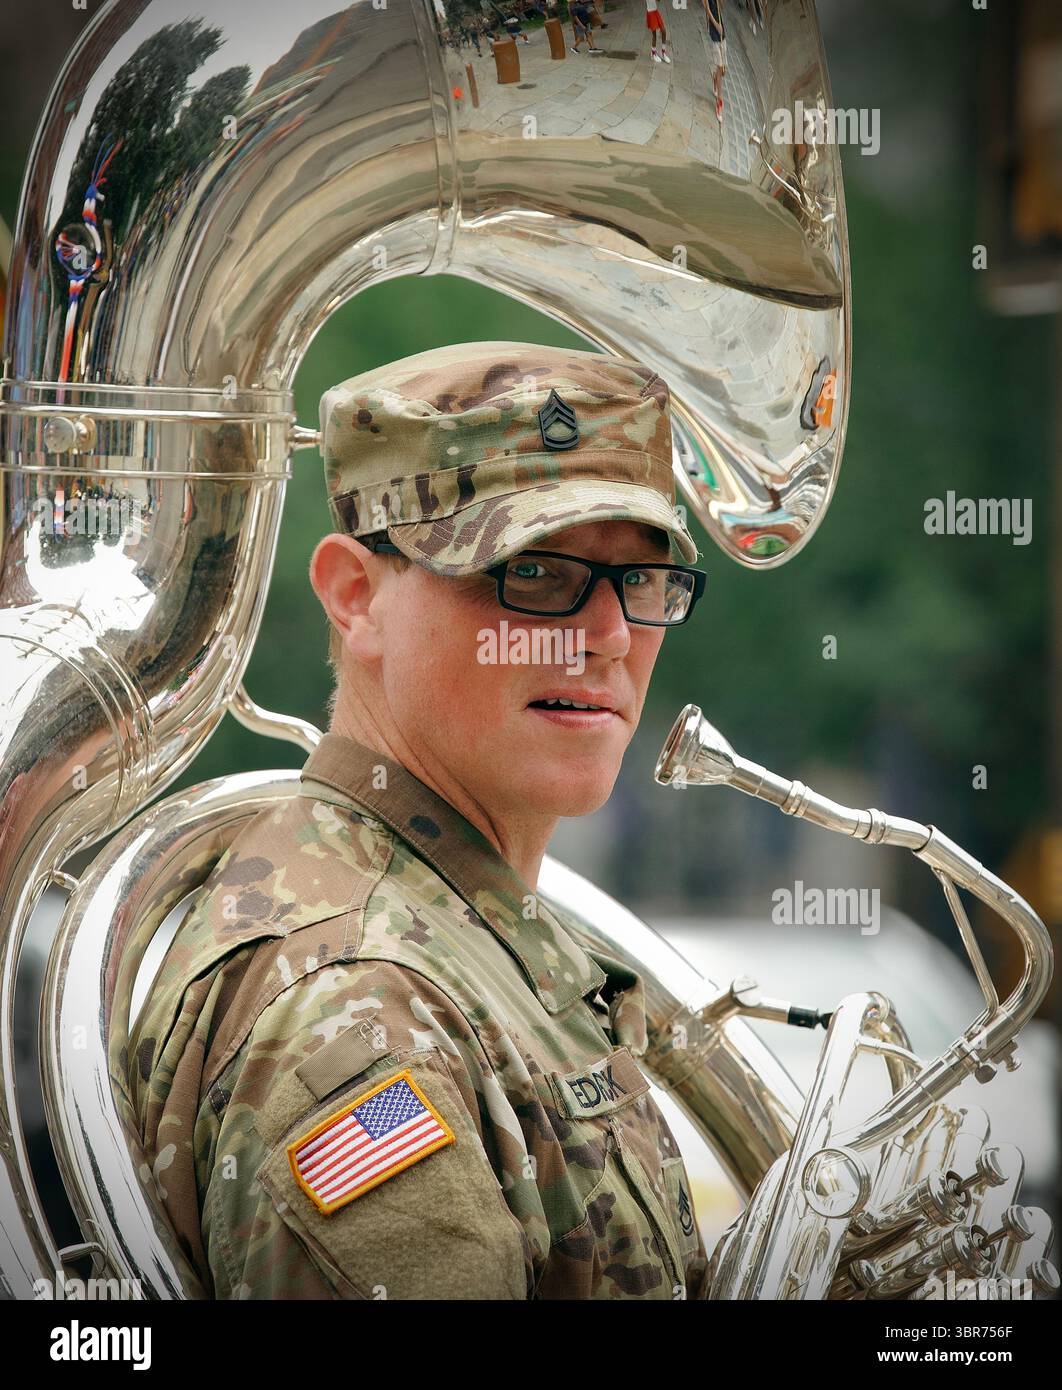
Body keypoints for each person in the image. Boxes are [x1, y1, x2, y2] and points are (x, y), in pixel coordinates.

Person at [127, 341, 710, 1300]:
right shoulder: (360, 1013)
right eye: (534, 573)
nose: (608, 636)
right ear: (359, 598)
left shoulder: (454, 926)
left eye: (641, 582)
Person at [702, 0, 727, 121]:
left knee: (722, 71)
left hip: (722, 32)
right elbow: (707, 9)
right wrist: (716, 25)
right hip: (715, 32)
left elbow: (722, 6)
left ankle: (714, 78)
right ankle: (719, 102)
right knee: (720, 67)